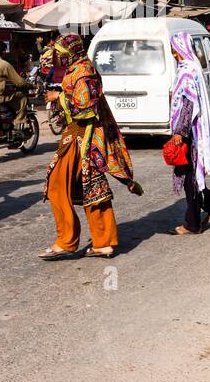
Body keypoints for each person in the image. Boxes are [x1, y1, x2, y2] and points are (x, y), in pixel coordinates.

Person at [40, 33, 142, 260]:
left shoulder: (84, 73)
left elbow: (87, 109)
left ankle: (73, 242)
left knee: (73, 187)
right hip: (75, 136)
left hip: (84, 138)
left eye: (61, 53)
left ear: (71, 53)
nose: (57, 57)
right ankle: (98, 241)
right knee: (88, 188)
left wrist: (59, 98)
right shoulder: (77, 70)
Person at [168, 32, 210, 234]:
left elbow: (188, 103)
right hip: (192, 130)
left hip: (190, 133)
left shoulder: (187, 71)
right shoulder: (191, 68)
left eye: (174, 48)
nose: (174, 53)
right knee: (192, 176)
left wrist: (180, 131)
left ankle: (193, 223)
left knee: (189, 177)